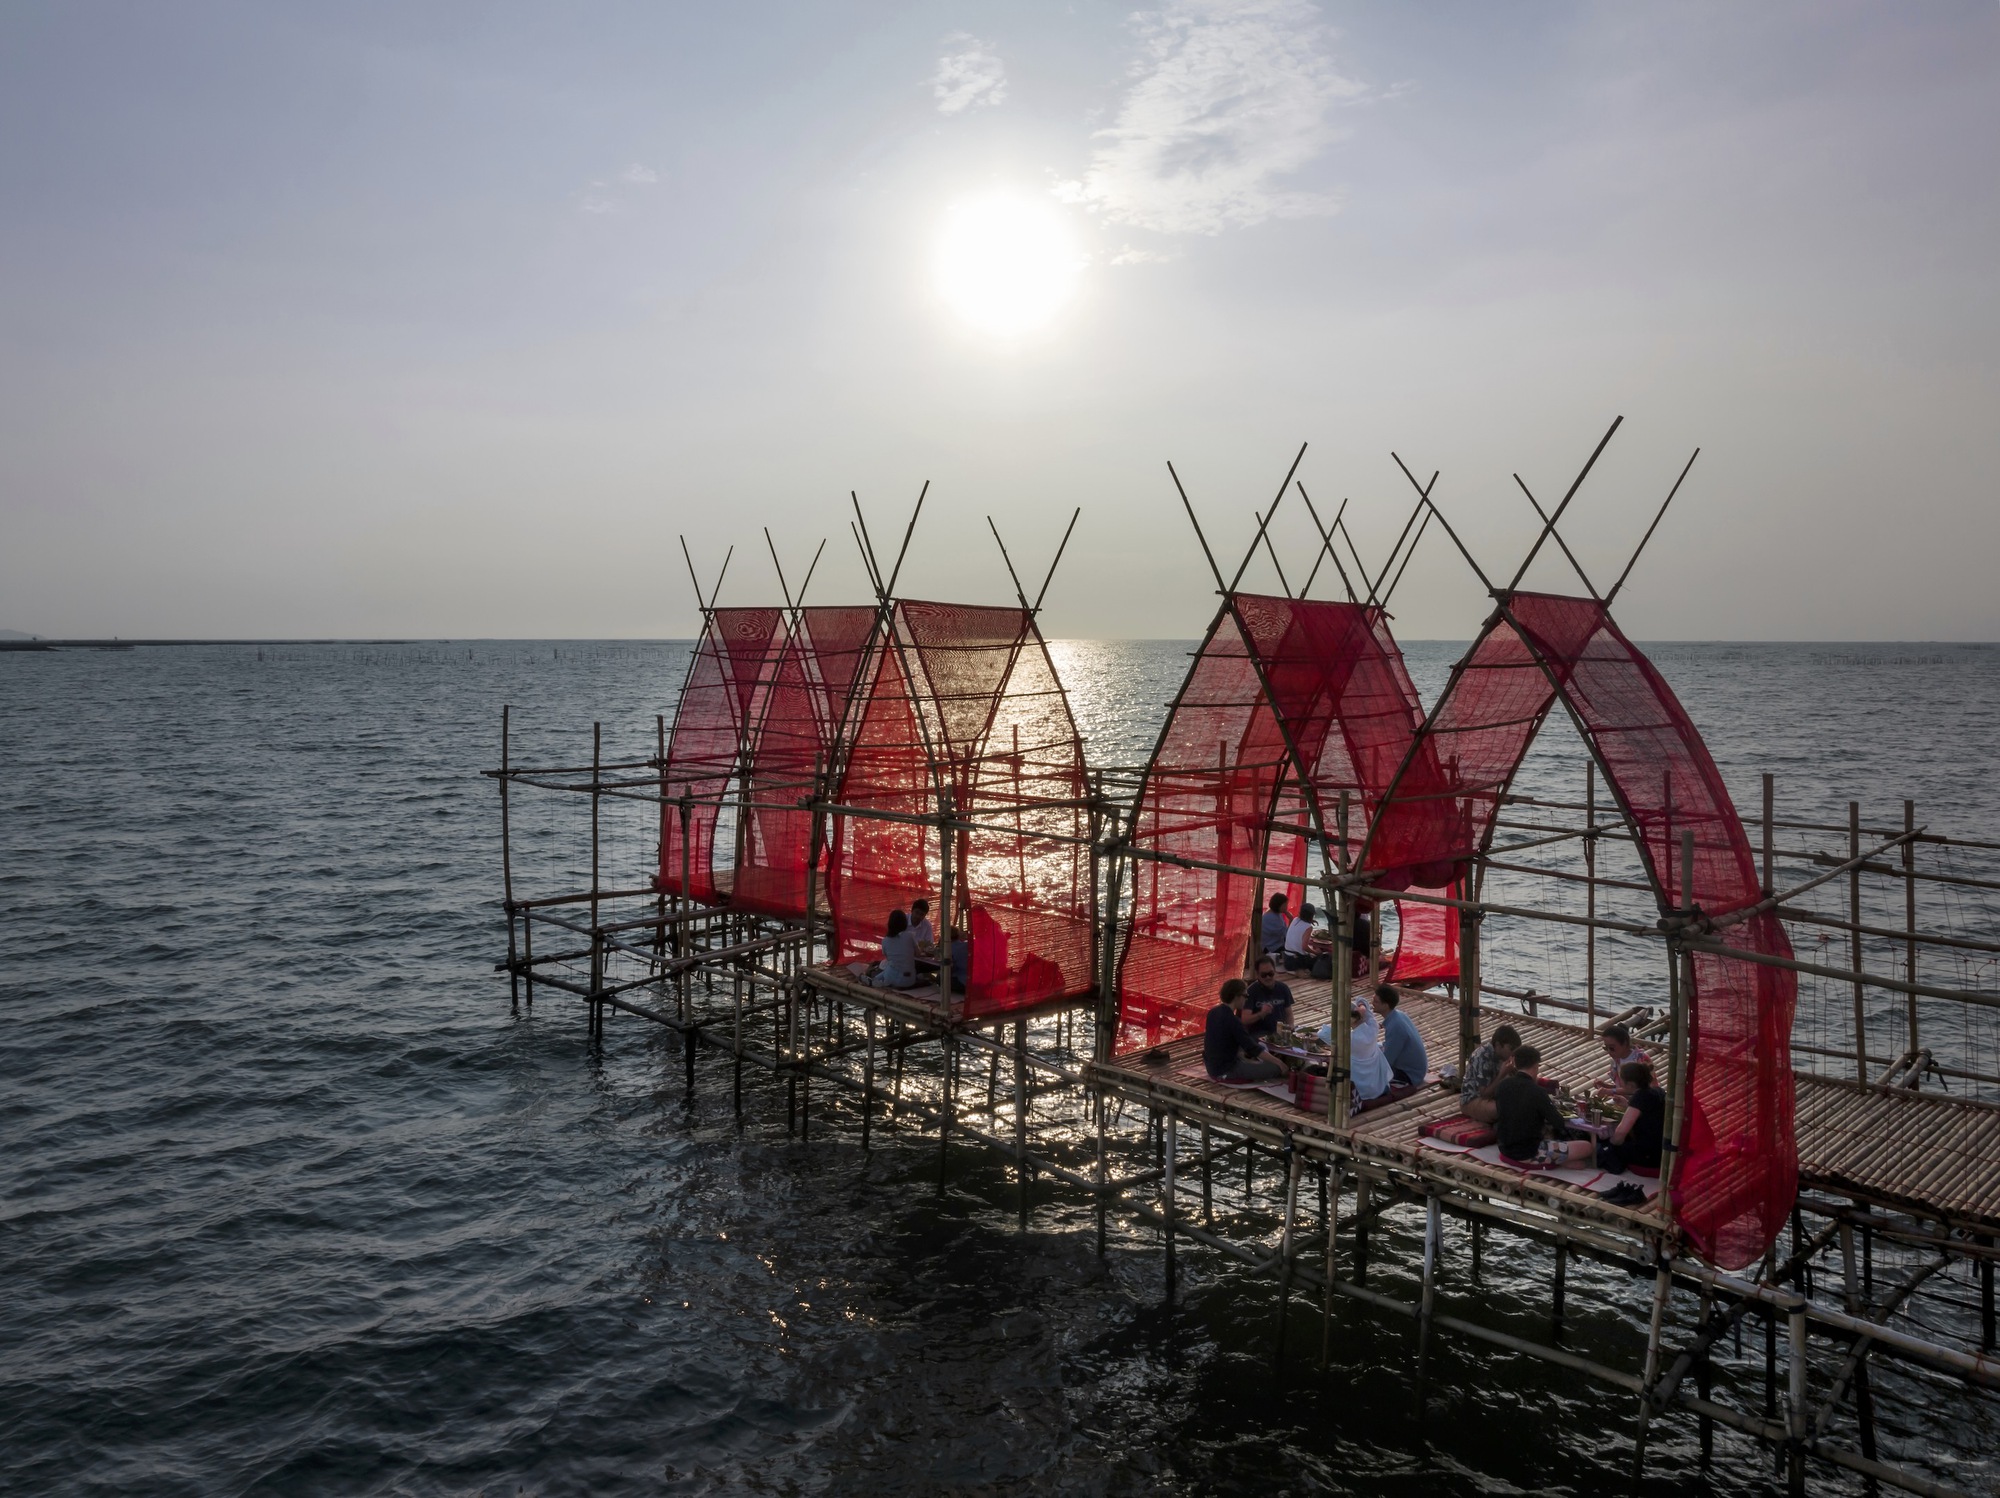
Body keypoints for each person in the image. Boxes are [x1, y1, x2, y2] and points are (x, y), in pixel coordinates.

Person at [1494, 1044, 1594, 1168]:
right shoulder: (1537, 1091)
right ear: (1536, 1065)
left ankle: (1561, 1161)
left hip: (1504, 1147)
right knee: (1587, 1147)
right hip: (1528, 1153)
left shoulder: (1502, 1086)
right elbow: (1558, 1123)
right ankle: (1556, 1160)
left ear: (1515, 1063)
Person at [1205, 978, 1285, 1083]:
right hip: (1227, 1070)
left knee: (1251, 1057)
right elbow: (1252, 1048)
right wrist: (1279, 1062)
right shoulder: (1233, 1021)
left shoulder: (1213, 1012)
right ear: (1237, 997)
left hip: (1211, 1066)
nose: (1246, 999)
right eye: (1245, 996)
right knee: (1275, 1068)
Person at [1597, 1060, 1665, 1174]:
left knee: (1600, 1146)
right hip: (1662, 1151)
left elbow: (1620, 1133)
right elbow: (1649, 1114)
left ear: (1631, 1085)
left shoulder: (1640, 1096)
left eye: (1622, 1081)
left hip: (1648, 1156)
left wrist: (1610, 1145)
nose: (1620, 1084)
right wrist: (1627, 1104)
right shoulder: (1658, 1091)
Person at [1320, 998, 1391, 1103]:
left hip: (1359, 1091)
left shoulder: (1350, 1039)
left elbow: (1322, 1033)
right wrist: (1361, 1007)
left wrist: (1340, 1022)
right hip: (1378, 1086)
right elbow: (1363, 1001)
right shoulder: (1373, 1028)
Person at [1461, 1024, 1522, 1123]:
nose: (1513, 1053)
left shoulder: (1503, 1056)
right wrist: (1502, 1074)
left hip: (1495, 1096)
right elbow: (1484, 1094)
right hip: (1474, 1099)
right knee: (1498, 1109)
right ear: (1498, 1045)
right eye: (1511, 1049)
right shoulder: (1482, 1056)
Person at [1373, 984, 1428, 1087]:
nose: (1372, 1004)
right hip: (1414, 1068)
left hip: (1409, 1074)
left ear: (1385, 1005)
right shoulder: (1398, 1015)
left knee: (1366, 1072)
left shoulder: (1396, 1027)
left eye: (1376, 1002)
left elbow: (1387, 1061)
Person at [1243, 954, 1294, 1037]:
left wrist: (1291, 1026)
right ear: (1258, 975)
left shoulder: (1283, 988)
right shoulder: (1251, 992)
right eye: (1264, 975)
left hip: (1279, 1033)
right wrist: (1261, 1014)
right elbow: (1245, 1019)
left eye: (1270, 974)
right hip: (1259, 1035)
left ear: (1275, 971)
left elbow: (1289, 1013)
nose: (1268, 977)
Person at [870, 909, 918, 989]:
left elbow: (888, 957)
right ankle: (875, 980)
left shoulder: (885, 940)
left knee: (888, 967)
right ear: (904, 923)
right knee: (891, 967)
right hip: (910, 980)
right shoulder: (910, 936)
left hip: (893, 979)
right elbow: (918, 954)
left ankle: (873, 980)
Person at [1284, 902, 1330, 974]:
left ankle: (1299, 971)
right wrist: (1316, 953)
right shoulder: (1308, 927)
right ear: (1312, 915)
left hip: (1287, 959)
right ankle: (1300, 970)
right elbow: (1304, 947)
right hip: (1296, 961)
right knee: (1321, 958)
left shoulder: (1295, 920)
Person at [1599, 1022, 1651, 1087]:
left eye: (1612, 1048)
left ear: (1624, 1043)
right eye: (1606, 1047)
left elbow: (1648, 1090)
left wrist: (1612, 1091)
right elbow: (1622, 1088)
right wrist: (1606, 1086)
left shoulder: (1641, 1059)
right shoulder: (1615, 1062)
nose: (1609, 1051)